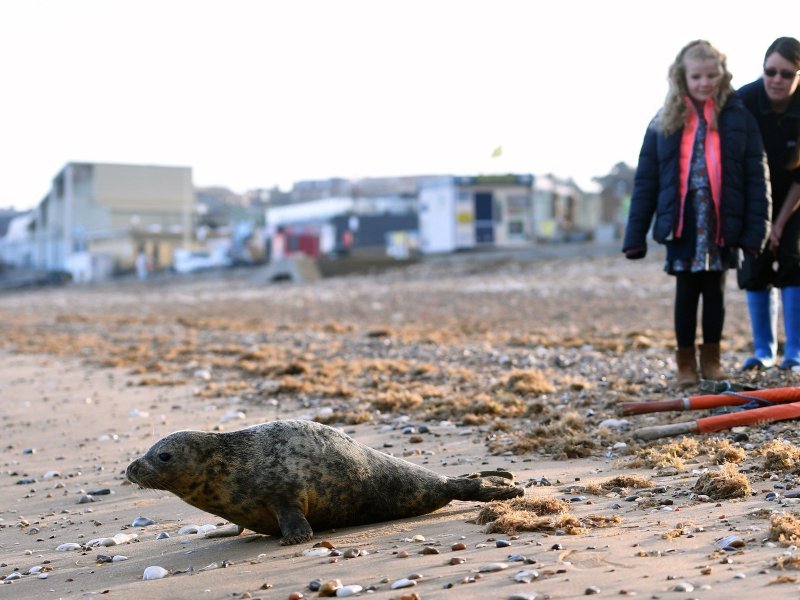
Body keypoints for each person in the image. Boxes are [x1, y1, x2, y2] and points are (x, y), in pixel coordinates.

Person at [623, 40, 771, 387]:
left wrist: (754, 232)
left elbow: (756, 175)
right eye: (696, 76)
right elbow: (646, 180)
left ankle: (712, 360)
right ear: (682, 78)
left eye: (711, 75)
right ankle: (685, 364)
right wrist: (635, 236)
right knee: (686, 294)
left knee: (715, 294)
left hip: (722, 223)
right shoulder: (664, 121)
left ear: (722, 74)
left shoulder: (738, 117)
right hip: (683, 222)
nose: (704, 82)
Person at [737, 37, 800, 371]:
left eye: (787, 74)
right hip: (751, 198)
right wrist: (760, 221)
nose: (777, 79)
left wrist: (778, 225)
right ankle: (764, 349)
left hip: (795, 198)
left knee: (794, 263)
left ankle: (795, 353)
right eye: (770, 71)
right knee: (755, 267)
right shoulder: (743, 101)